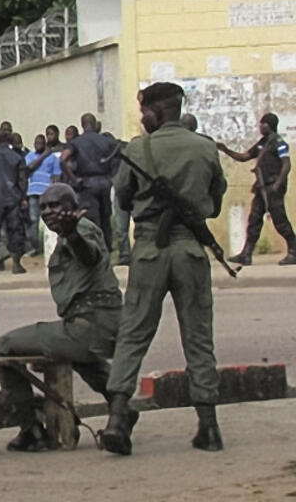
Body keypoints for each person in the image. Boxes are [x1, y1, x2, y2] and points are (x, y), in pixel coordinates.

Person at [101, 82, 228, 456]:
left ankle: (118, 420)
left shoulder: (138, 149)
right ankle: (209, 427)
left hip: (149, 251)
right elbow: (215, 202)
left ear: (158, 111)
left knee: (133, 335)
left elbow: (122, 199)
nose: (142, 118)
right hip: (190, 250)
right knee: (199, 338)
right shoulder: (205, 147)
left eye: (145, 112)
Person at [0, 184, 126, 451]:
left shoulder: (81, 230)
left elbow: (89, 256)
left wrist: (72, 234)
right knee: (83, 359)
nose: (48, 212)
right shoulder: (71, 232)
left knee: (4, 346)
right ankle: (122, 410)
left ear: (74, 209)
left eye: (56, 206)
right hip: (97, 326)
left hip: (88, 327)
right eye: (43, 207)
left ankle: (30, 428)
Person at [217, 112, 294, 266]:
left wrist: (278, 184)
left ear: (269, 125)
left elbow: (286, 164)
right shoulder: (262, 143)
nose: (260, 126)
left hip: (273, 188)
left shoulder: (279, 142)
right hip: (261, 188)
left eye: (262, 124)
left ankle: (294, 251)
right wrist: (225, 150)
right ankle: (246, 254)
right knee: (254, 220)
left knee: (280, 221)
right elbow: (244, 156)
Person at [59, 113, 120, 251]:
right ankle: (108, 249)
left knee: (91, 220)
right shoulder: (106, 141)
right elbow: (118, 156)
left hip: (86, 183)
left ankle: (95, 250)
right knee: (106, 218)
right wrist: (112, 176)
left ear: (82, 124)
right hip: (105, 182)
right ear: (95, 124)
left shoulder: (77, 142)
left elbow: (62, 159)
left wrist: (74, 179)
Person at [0, 130, 29, 275]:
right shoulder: (16, 157)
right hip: (13, 198)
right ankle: (16, 263)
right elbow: (22, 180)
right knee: (15, 230)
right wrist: (23, 197)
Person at [24, 134, 62, 256]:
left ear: (45, 144)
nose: (38, 145)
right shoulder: (29, 156)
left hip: (47, 193)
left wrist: (56, 193)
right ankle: (35, 247)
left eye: (41, 143)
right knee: (33, 220)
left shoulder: (53, 158)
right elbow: (29, 168)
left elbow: (57, 176)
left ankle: (52, 247)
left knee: (50, 220)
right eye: (36, 143)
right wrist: (44, 155)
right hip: (32, 193)